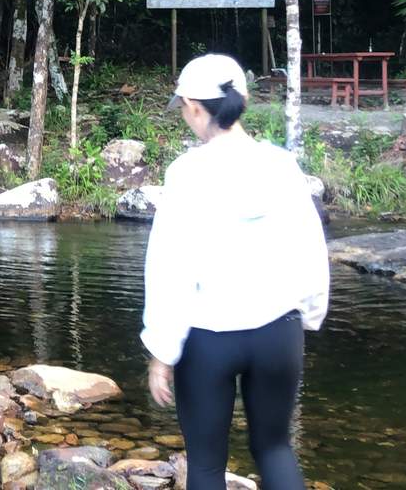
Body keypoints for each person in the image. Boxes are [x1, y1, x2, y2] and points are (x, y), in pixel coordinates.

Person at [141, 53, 329, 490]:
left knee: (206, 464)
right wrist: (309, 313)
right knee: (275, 448)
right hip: (278, 331)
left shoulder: (186, 173)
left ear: (193, 108)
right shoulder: (280, 164)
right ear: (242, 101)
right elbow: (309, 246)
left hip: (209, 338)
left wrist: (161, 353)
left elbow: (170, 269)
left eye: (183, 109)